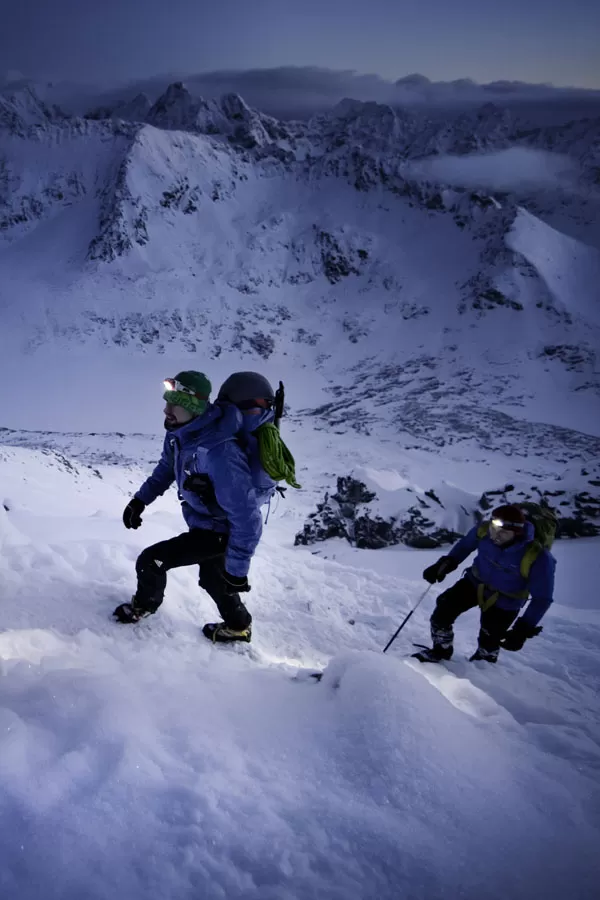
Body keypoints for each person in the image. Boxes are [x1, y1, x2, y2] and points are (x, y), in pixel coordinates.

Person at [113, 371, 264, 644]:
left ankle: (143, 606)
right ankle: (239, 626)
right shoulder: (179, 434)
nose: (166, 409)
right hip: (206, 523)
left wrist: (238, 570)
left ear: (194, 408)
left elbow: (247, 517)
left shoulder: (220, 452)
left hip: (219, 530)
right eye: (167, 401)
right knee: (212, 577)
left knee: (152, 561)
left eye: (175, 405)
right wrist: (140, 501)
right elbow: (165, 470)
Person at [413, 504, 556, 664]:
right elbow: (465, 546)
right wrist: (447, 563)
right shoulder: (484, 531)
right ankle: (441, 651)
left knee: (490, 637)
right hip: (474, 582)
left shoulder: (537, 556)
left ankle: (483, 667)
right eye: (495, 528)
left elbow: (542, 599)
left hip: (507, 599)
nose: (496, 535)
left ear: (518, 532)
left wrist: (522, 629)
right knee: (443, 611)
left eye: (504, 532)